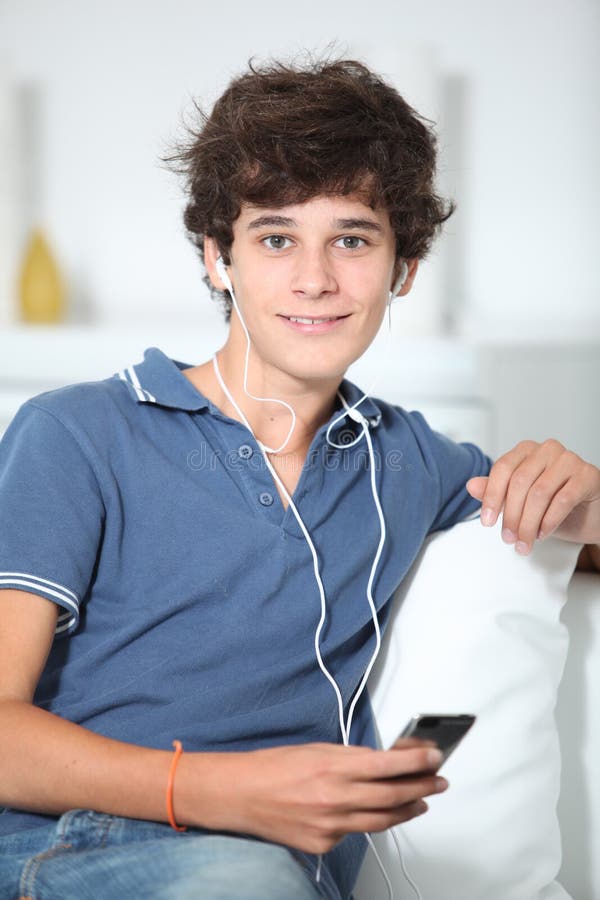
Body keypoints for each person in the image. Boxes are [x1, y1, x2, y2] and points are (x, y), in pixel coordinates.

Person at [0, 55, 598, 900]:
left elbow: (570, 525)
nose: (315, 278)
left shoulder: (413, 460)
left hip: (276, 873)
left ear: (404, 270)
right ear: (218, 258)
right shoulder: (76, 433)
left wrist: (587, 491)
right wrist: (219, 792)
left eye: (352, 240)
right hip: (71, 850)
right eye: (276, 237)